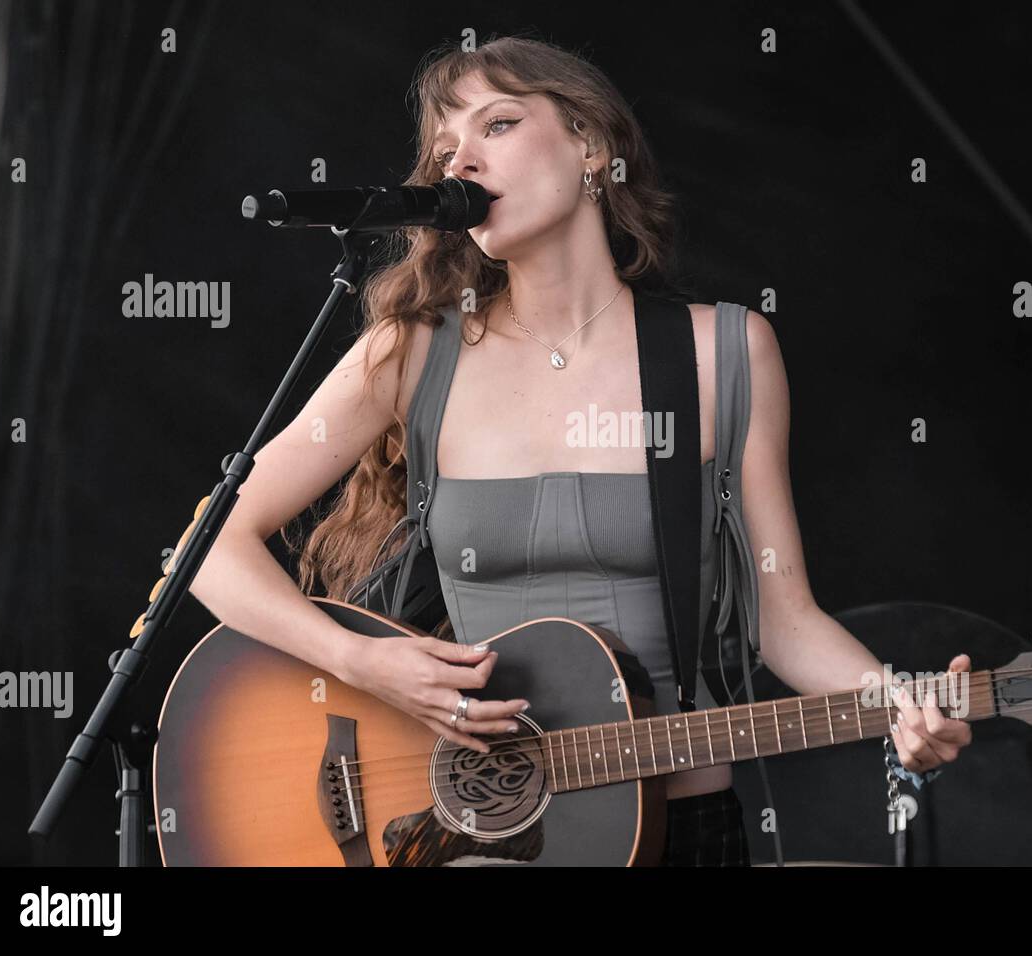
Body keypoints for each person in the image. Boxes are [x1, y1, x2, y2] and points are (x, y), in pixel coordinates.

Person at [188, 34, 973, 867]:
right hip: (482, 842)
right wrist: (361, 662)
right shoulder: (415, 353)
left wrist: (895, 703)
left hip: (680, 833)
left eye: (497, 124)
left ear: (592, 145)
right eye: (445, 150)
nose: (463, 161)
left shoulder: (724, 355)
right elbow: (208, 550)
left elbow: (787, 623)